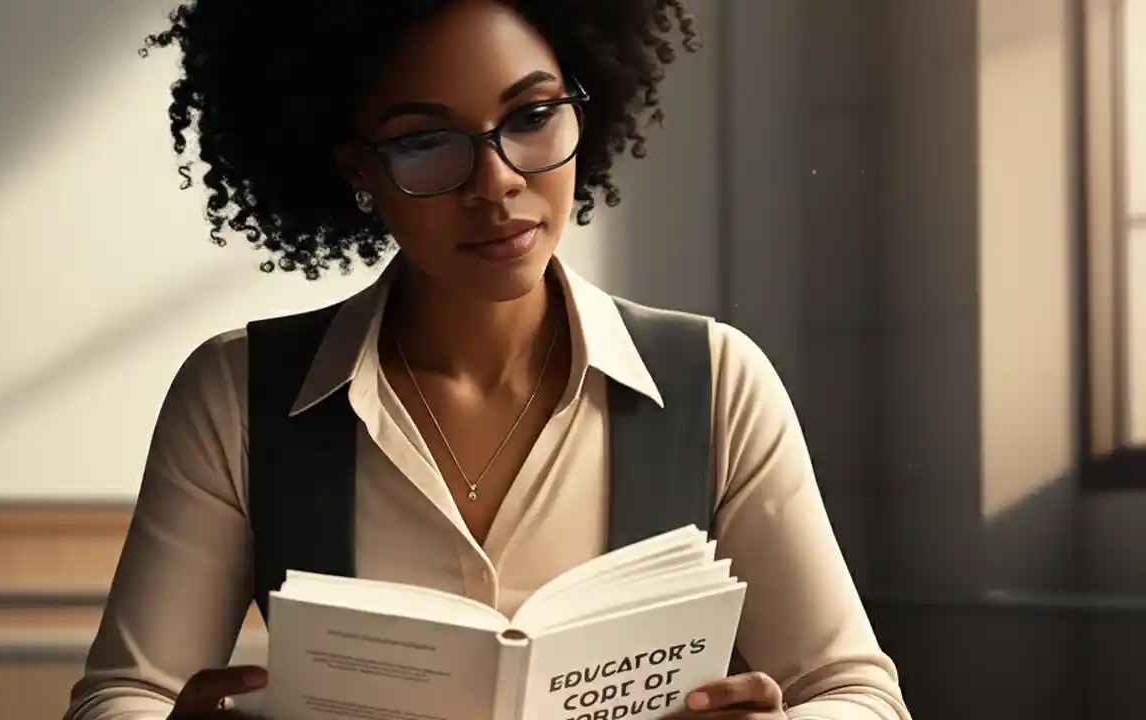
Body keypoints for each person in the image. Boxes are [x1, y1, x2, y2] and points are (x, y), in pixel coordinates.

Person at [65, 1, 912, 719]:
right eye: (425, 140)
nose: (495, 181)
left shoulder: (717, 380)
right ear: (356, 164)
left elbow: (854, 689)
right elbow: (126, 693)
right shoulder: (236, 395)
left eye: (533, 117)